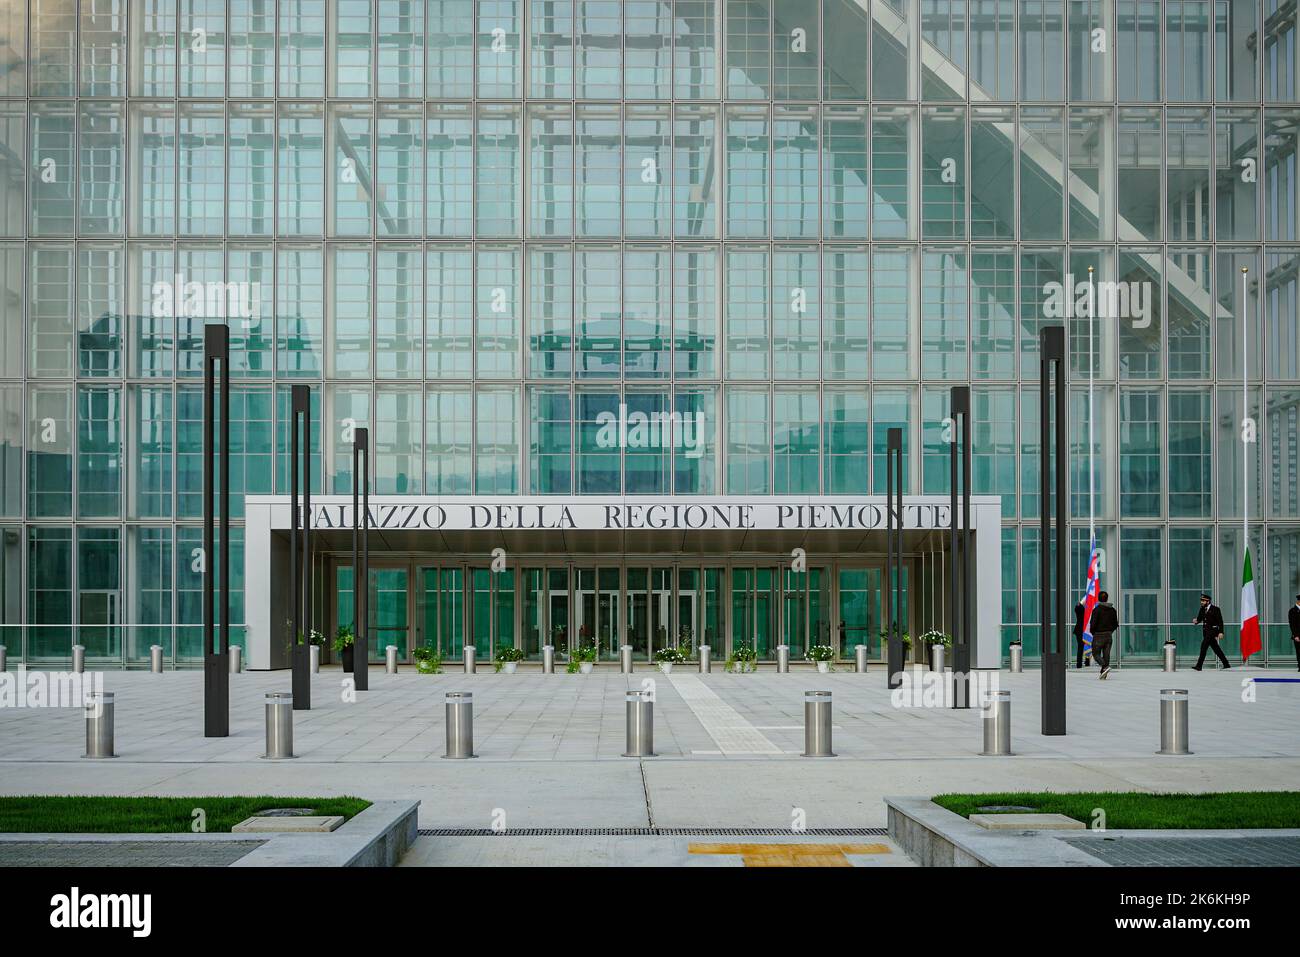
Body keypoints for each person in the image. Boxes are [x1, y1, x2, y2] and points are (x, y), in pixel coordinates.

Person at [1191, 593, 1230, 670]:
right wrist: (1196, 621)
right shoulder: (1202, 609)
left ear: (1208, 601)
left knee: (1203, 646)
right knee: (1216, 649)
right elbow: (1199, 619)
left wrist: (1221, 632)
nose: (1201, 602)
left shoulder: (1216, 609)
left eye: (1203, 601)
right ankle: (1226, 664)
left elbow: (1220, 622)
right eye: (1201, 600)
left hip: (1213, 631)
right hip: (1206, 632)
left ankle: (1199, 666)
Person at [1089, 591, 1118, 679]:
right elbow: (1115, 624)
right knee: (1106, 654)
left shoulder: (1096, 610)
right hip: (1109, 635)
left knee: (1095, 653)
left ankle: (1104, 667)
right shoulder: (1113, 610)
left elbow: (1093, 624)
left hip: (1098, 635)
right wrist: (1110, 631)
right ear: (1107, 599)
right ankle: (1103, 673)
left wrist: (1093, 632)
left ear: (1098, 598)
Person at [1073, 600, 1092, 668]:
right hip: (1083, 630)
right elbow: (1078, 608)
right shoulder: (1083, 610)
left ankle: (1080, 664)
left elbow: (1077, 608)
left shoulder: (1082, 609)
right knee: (1086, 647)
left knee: (1081, 647)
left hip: (1081, 630)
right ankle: (1085, 663)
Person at [1290, 594, 1300, 671]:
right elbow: (1292, 624)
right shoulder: (1292, 611)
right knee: (1299, 651)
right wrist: (1295, 635)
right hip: (1298, 635)